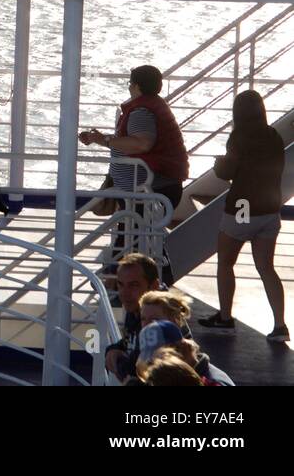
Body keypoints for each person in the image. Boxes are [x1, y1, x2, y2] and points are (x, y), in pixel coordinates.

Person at [200, 89, 288, 340]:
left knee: (226, 263)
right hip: (270, 209)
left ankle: (225, 318)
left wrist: (219, 163)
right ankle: (280, 325)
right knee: (266, 267)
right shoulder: (273, 135)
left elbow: (226, 172)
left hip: (242, 208)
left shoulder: (240, 137)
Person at [80, 64, 188, 267]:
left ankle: (118, 287)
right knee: (138, 243)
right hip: (148, 192)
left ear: (136, 86)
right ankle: (127, 284)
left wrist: (105, 141)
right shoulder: (153, 106)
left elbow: (142, 142)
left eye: (130, 84)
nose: (129, 87)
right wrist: (101, 139)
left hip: (149, 193)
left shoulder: (141, 112)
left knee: (130, 247)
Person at [103, 252, 190, 381]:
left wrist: (118, 362)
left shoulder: (163, 318)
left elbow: (137, 368)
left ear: (154, 286)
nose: (124, 293)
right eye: (120, 284)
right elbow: (128, 343)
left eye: (133, 285)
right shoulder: (136, 308)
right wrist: (113, 349)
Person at [135, 319, 234, 385]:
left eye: (156, 362)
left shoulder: (214, 382)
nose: (152, 369)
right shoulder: (176, 378)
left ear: (179, 350)